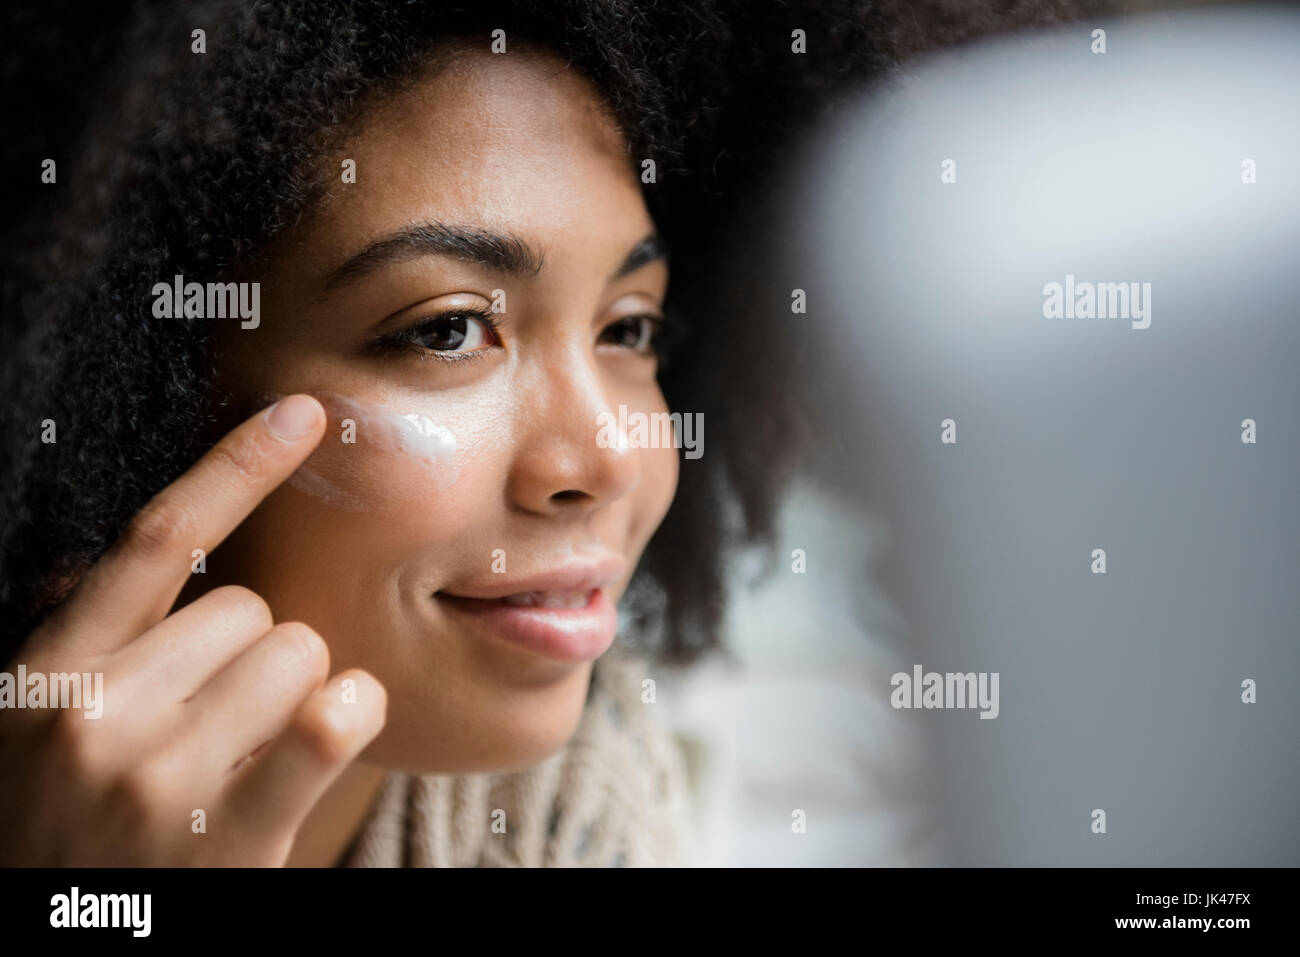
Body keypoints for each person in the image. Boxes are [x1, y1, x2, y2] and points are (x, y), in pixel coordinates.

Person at [0, 0, 1081, 866]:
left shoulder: (588, 797)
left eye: (629, 328)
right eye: (449, 330)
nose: (604, 456)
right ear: (131, 399)